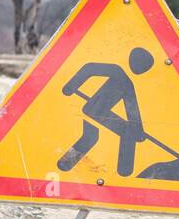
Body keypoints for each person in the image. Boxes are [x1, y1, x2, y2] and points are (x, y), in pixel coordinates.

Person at [57, 48, 155, 176]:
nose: (141, 70)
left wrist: (138, 129)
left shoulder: (128, 83)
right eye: (142, 66)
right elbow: (89, 68)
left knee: (93, 137)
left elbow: (132, 109)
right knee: (118, 133)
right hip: (94, 110)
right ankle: (124, 170)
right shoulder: (117, 71)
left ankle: (124, 171)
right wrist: (70, 87)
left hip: (99, 113)